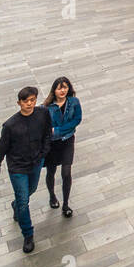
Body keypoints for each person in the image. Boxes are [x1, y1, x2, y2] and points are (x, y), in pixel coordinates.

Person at [0, 86, 53, 254]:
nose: (30, 104)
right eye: (26, 101)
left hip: (36, 163)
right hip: (17, 167)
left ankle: (15, 205)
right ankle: (28, 234)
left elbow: (48, 133)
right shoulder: (10, 126)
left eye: (32, 100)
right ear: (19, 103)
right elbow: (1, 149)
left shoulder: (42, 114)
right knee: (24, 201)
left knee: (29, 191)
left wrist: (43, 152)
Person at [43, 77, 81, 218]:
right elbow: (46, 127)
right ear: (54, 90)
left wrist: (59, 130)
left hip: (67, 141)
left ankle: (65, 204)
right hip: (53, 144)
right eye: (60, 88)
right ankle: (52, 196)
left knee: (66, 173)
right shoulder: (47, 107)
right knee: (51, 172)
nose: (63, 90)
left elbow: (77, 120)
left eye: (65, 87)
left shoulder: (74, 102)